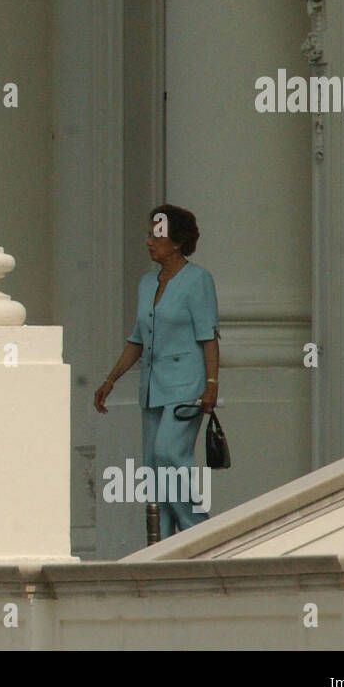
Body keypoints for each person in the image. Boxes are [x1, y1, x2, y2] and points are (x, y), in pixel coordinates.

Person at [93, 204, 219, 540]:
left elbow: (208, 337)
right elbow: (137, 339)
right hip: (152, 388)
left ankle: (199, 530)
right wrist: (110, 379)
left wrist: (211, 385)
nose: (149, 241)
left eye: (156, 235)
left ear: (176, 241)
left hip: (187, 387)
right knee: (152, 472)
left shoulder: (198, 280)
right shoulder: (147, 283)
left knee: (168, 453)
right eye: (149, 234)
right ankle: (160, 541)